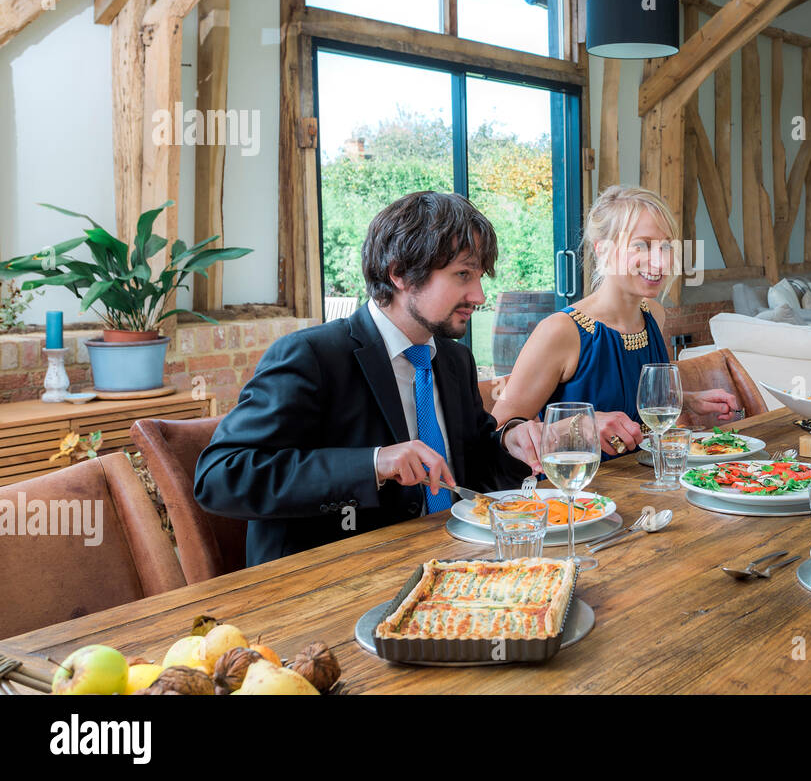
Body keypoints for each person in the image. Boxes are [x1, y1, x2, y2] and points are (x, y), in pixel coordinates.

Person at [195, 192, 536, 566]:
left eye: (479, 276)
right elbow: (220, 477)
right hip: (331, 583)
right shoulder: (312, 357)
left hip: (452, 564)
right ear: (401, 273)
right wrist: (373, 464)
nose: (480, 295)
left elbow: (473, 470)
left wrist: (514, 443)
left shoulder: (455, 360)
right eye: (462, 274)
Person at [493, 185, 740, 465]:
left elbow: (632, 401)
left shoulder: (654, 315)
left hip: (647, 484)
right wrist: (580, 425)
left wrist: (686, 400)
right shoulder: (562, 331)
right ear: (603, 251)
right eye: (642, 244)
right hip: (580, 496)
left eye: (666, 245)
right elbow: (500, 432)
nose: (660, 261)